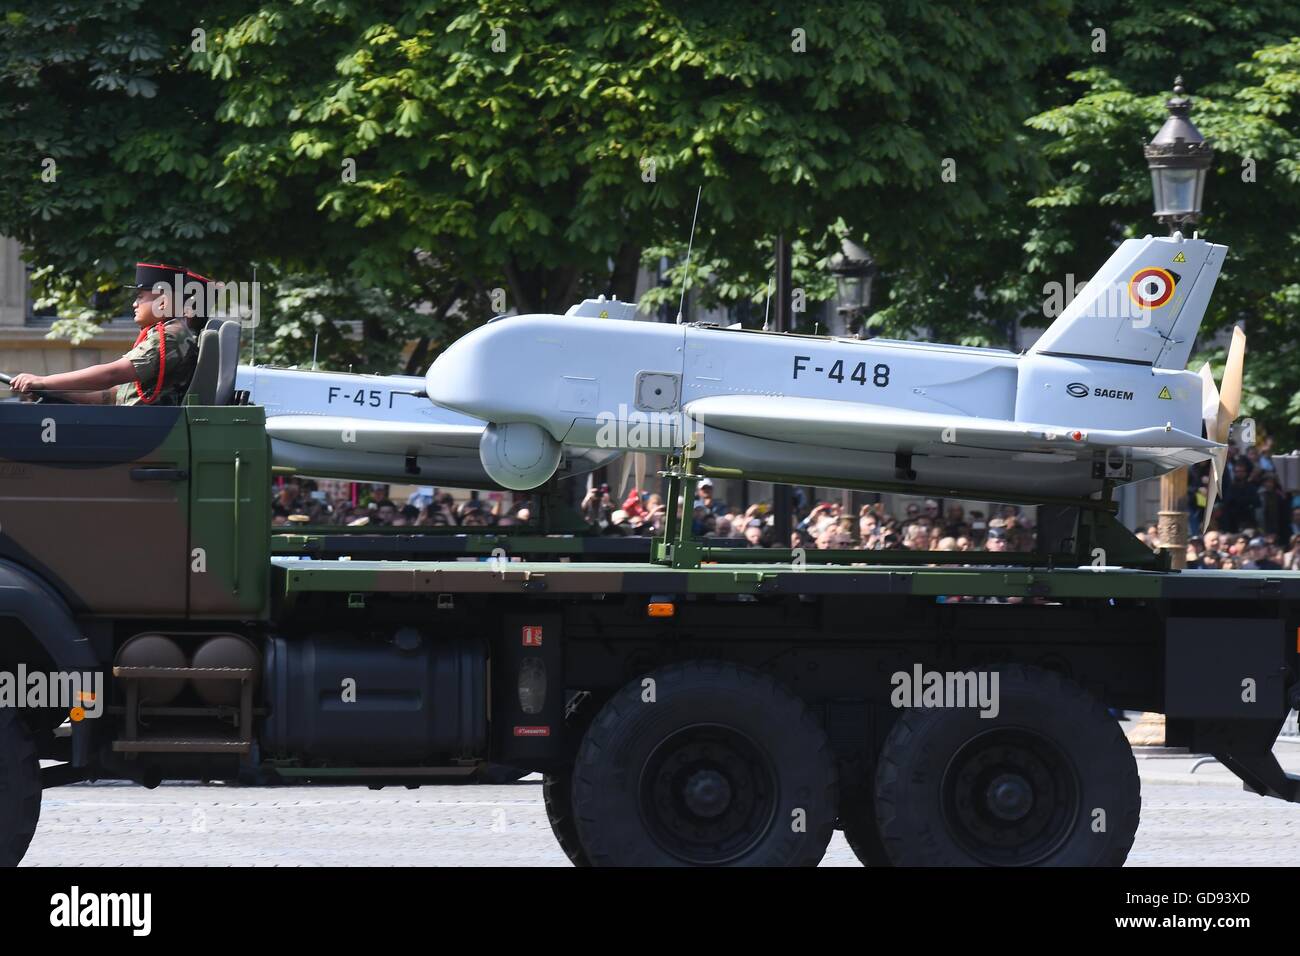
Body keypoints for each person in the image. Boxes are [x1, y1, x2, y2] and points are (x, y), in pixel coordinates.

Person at [10, 262, 198, 405]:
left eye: (140, 297)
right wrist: (55, 393)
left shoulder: (169, 336)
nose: (134, 304)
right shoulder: (168, 333)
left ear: (163, 303)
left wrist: (44, 381)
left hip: (144, 433)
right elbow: (112, 395)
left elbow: (112, 374)